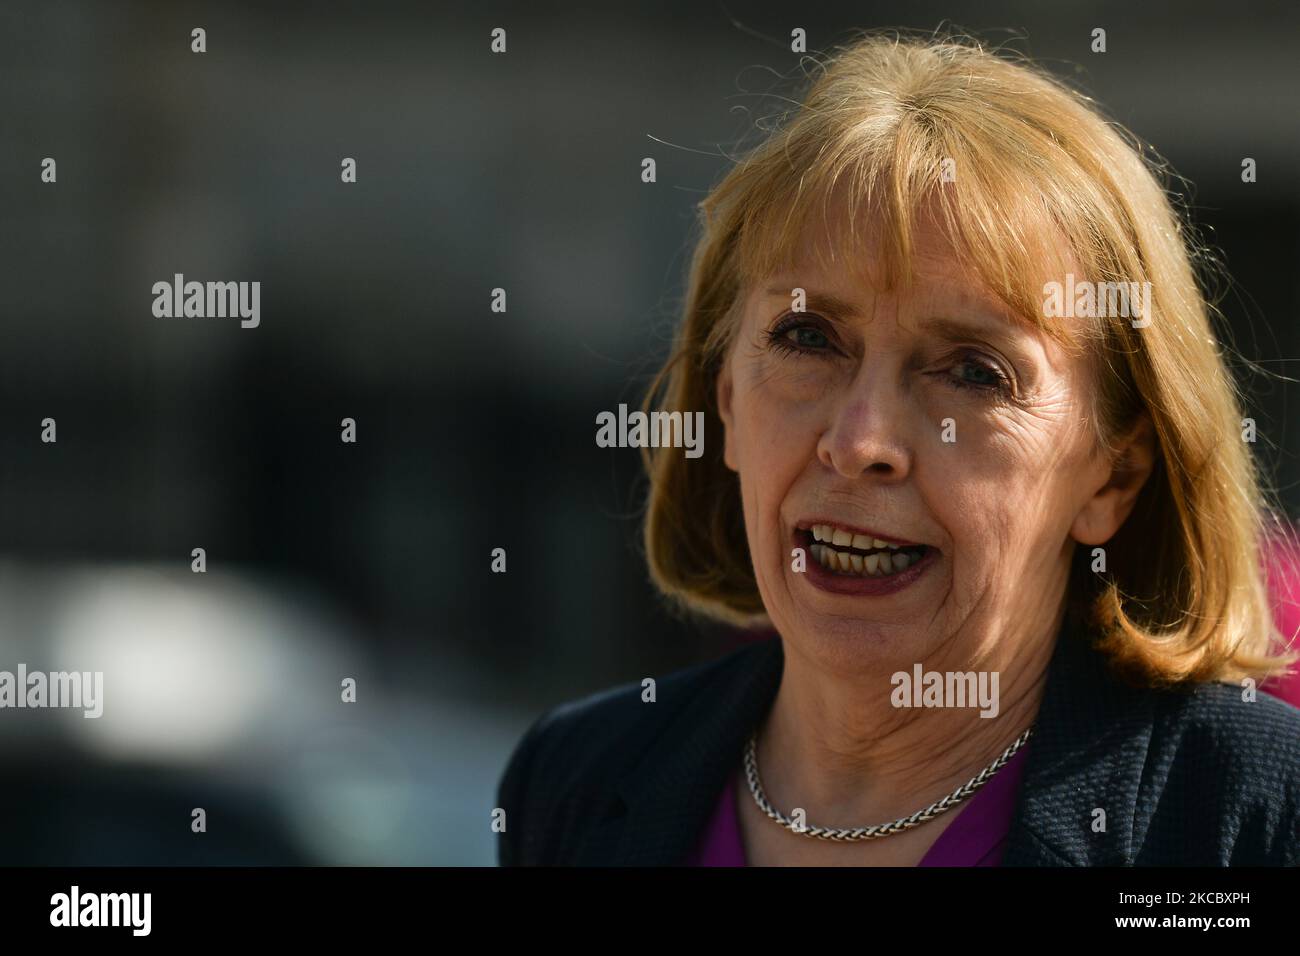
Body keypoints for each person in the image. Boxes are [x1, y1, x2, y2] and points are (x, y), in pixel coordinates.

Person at [497, 31, 1300, 866]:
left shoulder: (1244, 821)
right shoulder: (578, 781)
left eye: (973, 372)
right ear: (725, 399)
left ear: (1115, 476)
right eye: (808, 338)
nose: (860, 443)